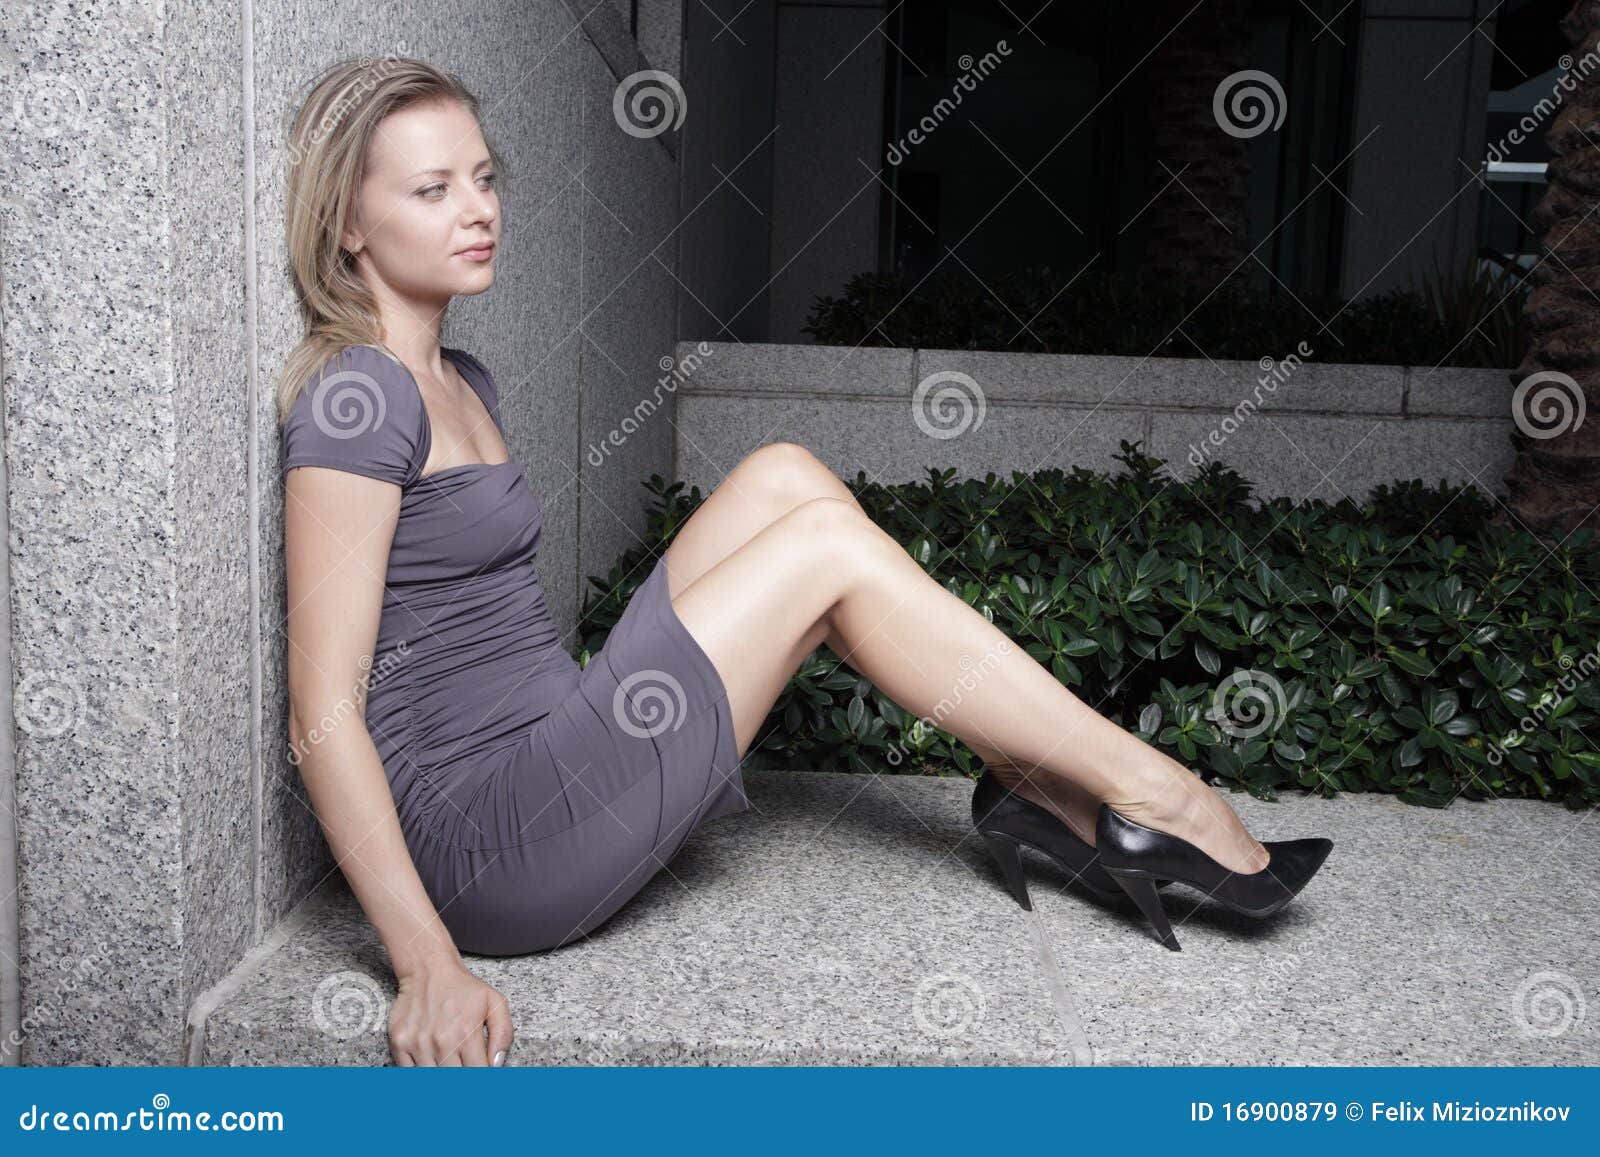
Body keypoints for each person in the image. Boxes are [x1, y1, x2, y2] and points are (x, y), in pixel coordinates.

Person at [278, 57, 1331, 1068]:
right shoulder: (356, 400)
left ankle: (1041, 789)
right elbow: (320, 710)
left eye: (485, 176)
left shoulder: (460, 376)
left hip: (554, 748)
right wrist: (424, 963)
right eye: (431, 188)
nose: (478, 208)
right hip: (486, 846)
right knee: (823, 551)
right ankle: (1153, 793)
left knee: (784, 474)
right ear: (346, 224)